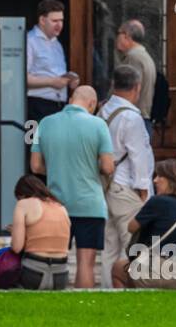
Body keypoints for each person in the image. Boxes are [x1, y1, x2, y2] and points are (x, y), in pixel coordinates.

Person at [30, 85, 114, 289]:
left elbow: (36, 166)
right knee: (86, 263)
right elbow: (107, 166)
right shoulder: (98, 125)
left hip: (56, 205)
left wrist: (59, 167)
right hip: (90, 204)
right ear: (92, 104)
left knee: (57, 260)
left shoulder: (44, 123)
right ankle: (83, 307)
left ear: (70, 99)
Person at [98, 64, 155, 288]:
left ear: (114, 84)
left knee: (110, 243)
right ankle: (132, 287)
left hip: (107, 186)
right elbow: (138, 156)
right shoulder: (131, 117)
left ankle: (108, 288)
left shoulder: (103, 110)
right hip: (126, 186)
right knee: (133, 242)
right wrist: (143, 190)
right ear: (137, 87)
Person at [112, 159, 176, 289]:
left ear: (173, 180)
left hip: (162, 273)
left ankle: (132, 306)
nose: (155, 180)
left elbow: (131, 227)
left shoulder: (158, 201)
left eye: (160, 176)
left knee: (118, 269)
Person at [8, 174, 71, 291]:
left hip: (33, 273)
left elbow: (17, 247)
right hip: (61, 275)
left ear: (22, 195)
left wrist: (15, 233)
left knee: (2, 278)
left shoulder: (23, 204)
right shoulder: (62, 208)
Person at [26, 0, 78, 124]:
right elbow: (22, 78)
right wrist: (52, 82)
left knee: (55, 143)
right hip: (36, 105)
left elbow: (55, 73)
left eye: (61, 20)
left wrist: (70, 79)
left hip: (59, 106)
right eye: (54, 20)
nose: (59, 25)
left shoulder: (57, 44)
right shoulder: (29, 41)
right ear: (42, 20)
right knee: (33, 141)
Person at [115, 19, 156, 123]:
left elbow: (129, 90)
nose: (116, 38)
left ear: (126, 36)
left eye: (118, 33)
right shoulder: (143, 56)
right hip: (138, 117)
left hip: (132, 119)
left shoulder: (134, 58)